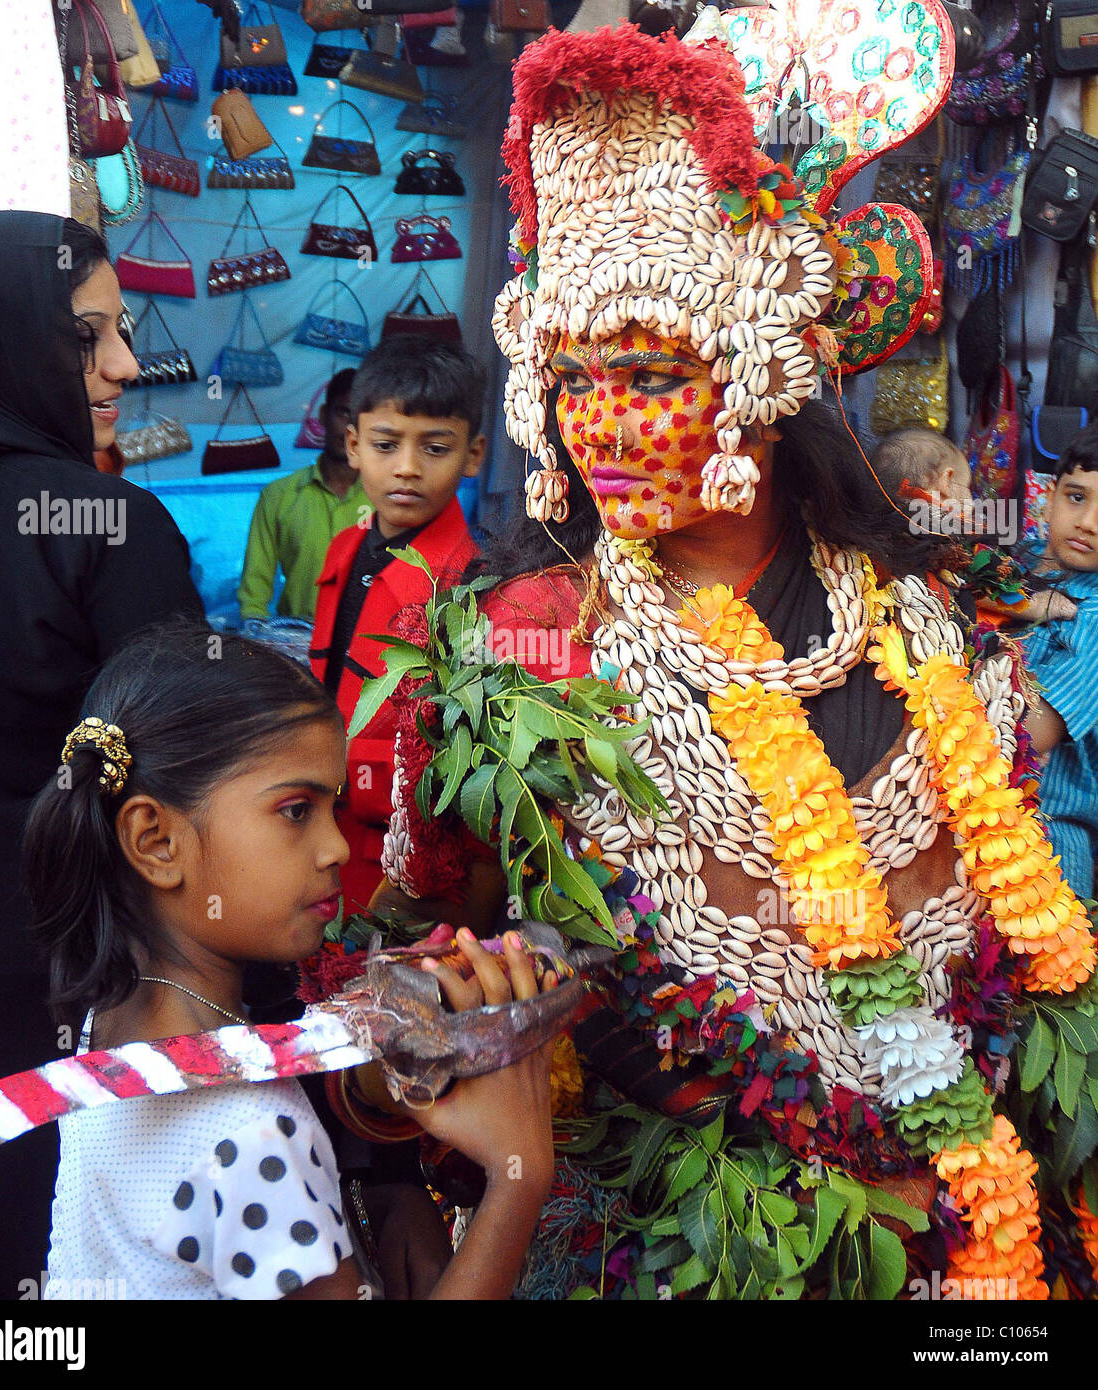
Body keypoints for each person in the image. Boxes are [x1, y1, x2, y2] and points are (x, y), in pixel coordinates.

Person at [367, 20, 1098, 1299]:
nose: (596, 419)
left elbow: (1019, 967)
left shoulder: (929, 624)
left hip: (970, 1242)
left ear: (759, 374)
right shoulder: (526, 649)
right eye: (571, 378)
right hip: (667, 1254)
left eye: (644, 371)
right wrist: (443, 1016)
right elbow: (398, 982)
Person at [22, 621, 554, 1300]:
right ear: (156, 841)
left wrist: (370, 1205)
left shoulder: (118, 1021)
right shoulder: (249, 1135)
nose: (335, 847)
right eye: (296, 810)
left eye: (334, 807)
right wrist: (519, 1179)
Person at [0, 211, 204, 1300]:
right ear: (8, 340)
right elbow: (187, 781)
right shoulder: (106, 526)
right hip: (52, 993)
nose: (127, 367)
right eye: (88, 336)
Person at [308, 337, 484, 910]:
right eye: (386, 444)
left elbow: (466, 752)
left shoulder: (472, 586)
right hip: (320, 822)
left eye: (436, 448)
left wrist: (342, 772)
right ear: (353, 445)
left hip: (401, 857)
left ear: (473, 456)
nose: (407, 468)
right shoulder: (344, 548)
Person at [872, 426, 1077, 628]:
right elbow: (987, 586)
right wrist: (1047, 603)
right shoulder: (942, 539)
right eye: (967, 487)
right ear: (947, 482)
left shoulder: (876, 533)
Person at [1020, 427, 1098, 899]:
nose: (1088, 521)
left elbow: (1027, 734)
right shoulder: (1011, 567)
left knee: (1046, 969)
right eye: (1075, 496)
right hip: (963, 815)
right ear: (1048, 497)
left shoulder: (1093, 617)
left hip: (1046, 841)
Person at [237, 368, 367, 621]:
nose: (351, 430)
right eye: (343, 413)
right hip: (295, 645)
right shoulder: (277, 496)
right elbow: (254, 594)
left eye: (363, 420)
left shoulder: (388, 501)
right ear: (323, 415)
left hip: (368, 648)